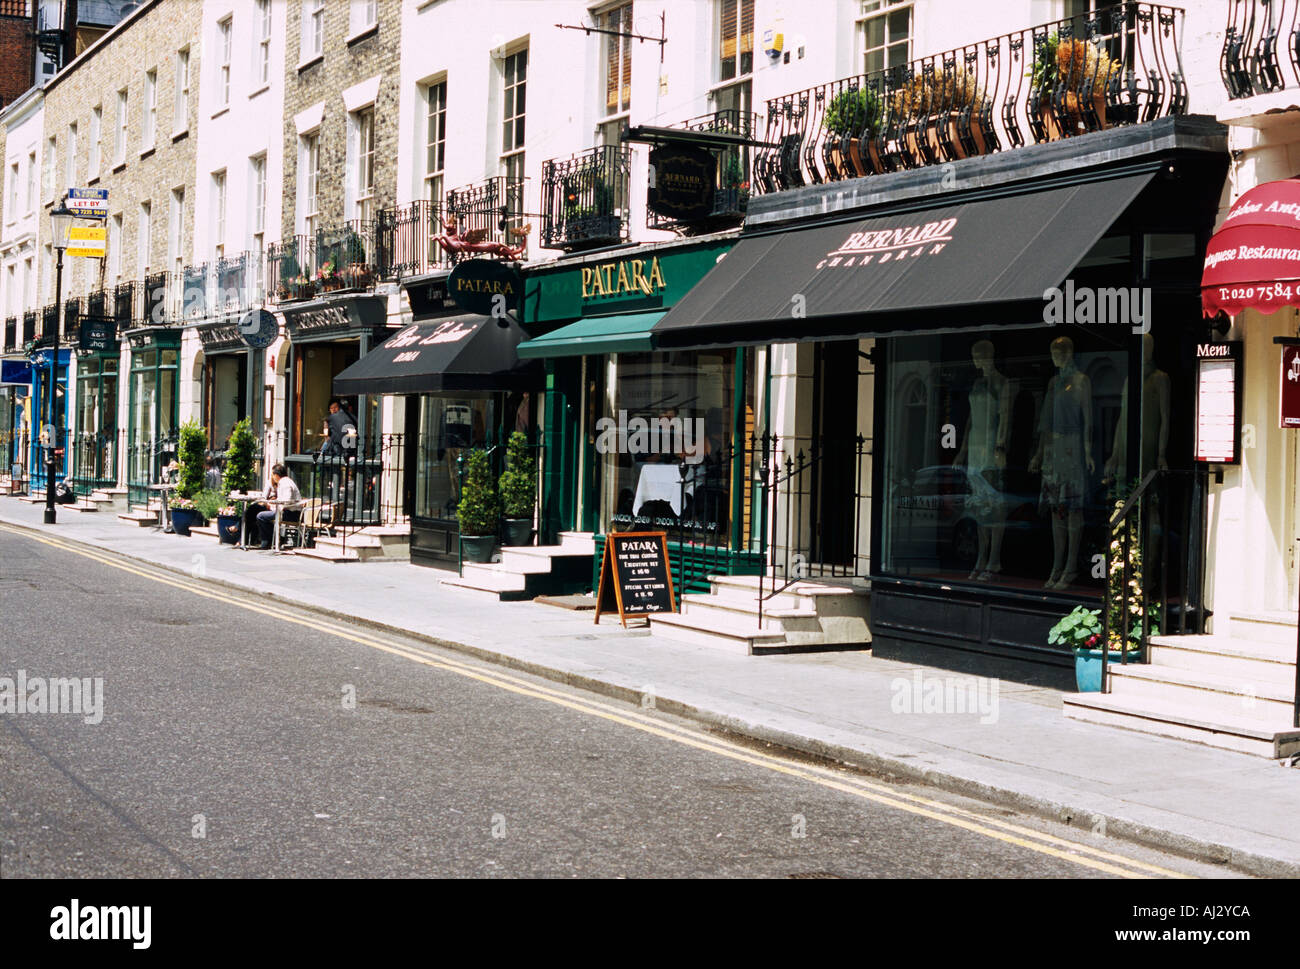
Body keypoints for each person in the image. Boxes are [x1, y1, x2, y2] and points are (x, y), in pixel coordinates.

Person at [237, 463, 302, 550]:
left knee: (260, 516)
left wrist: (273, 504)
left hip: (290, 514)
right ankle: (269, 540)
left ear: (276, 475)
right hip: (286, 511)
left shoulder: (285, 483)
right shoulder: (285, 481)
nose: (272, 477)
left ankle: (268, 540)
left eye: (273, 475)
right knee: (254, 510)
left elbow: (286, 501)